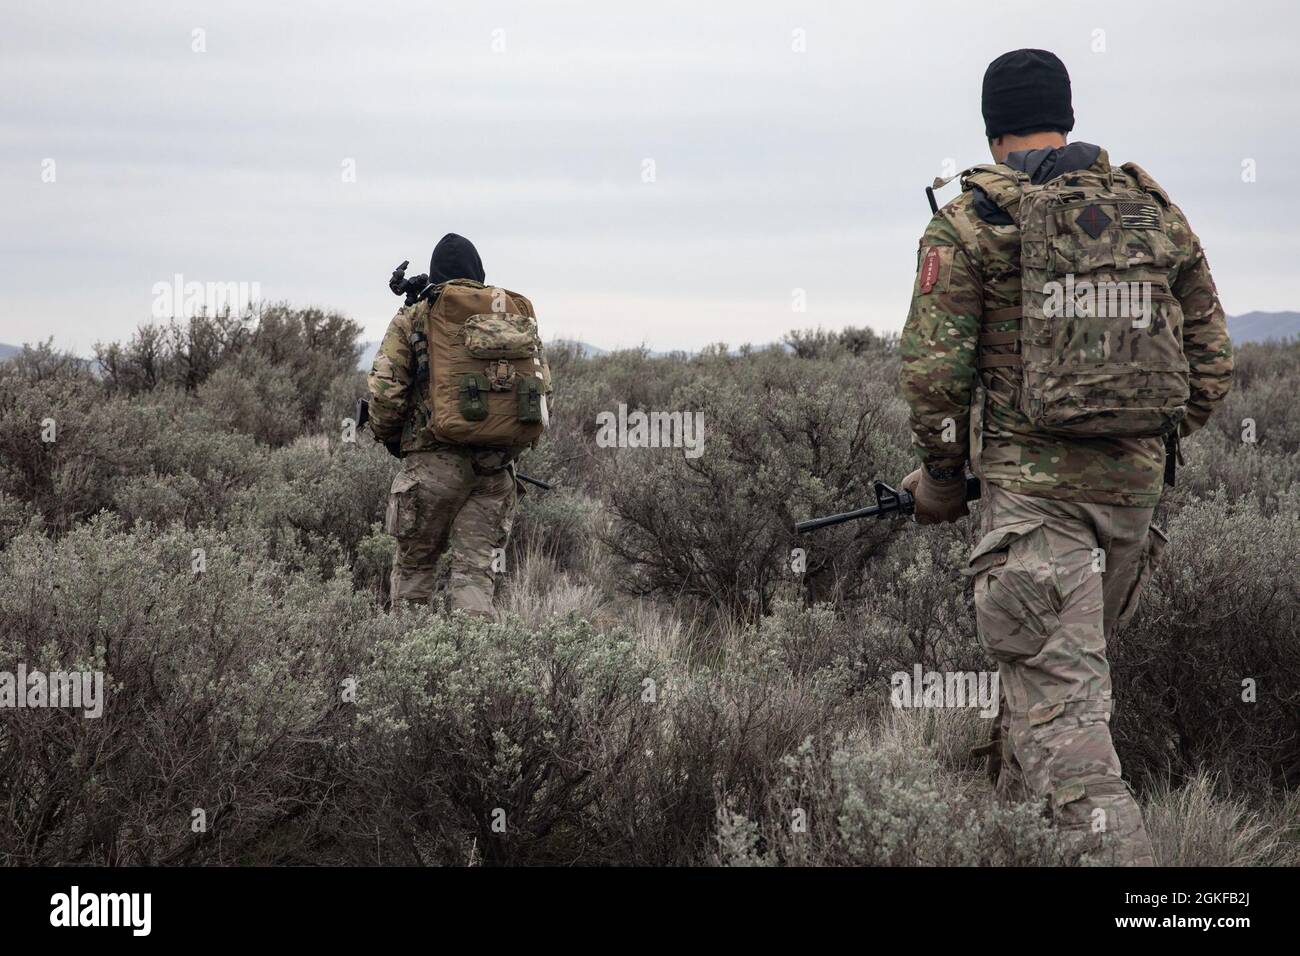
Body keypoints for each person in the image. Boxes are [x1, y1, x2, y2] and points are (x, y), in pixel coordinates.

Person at [898, 49, 1233, 864]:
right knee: (1047, 703)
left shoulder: (971, 222)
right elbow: (1213, 364)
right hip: (1130, 510)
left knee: (1071, 745)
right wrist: (1137, 442)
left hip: (1035, 519)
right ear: (1068, 115)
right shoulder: (1154, 214)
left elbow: (934, 378)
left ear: (991, 126)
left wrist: (944, 480)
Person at [367, 233, 537, 618]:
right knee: (476, 576)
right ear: (479, 274)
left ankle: (410, 667)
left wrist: (393, 439)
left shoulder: (416, 314)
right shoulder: (507, 318)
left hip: (432, 465)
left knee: (415, 569)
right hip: (495, 471)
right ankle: (474, 669)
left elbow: (385, 390)